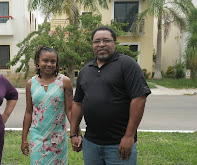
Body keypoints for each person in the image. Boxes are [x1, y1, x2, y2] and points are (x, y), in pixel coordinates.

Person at [70, 26, 151, 164]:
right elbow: (77, 103)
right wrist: (73, 134)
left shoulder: (126, 64)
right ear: (92, 45)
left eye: (106, 40)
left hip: (119, 144)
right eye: (97, 41)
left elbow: (139, 99)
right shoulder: (85, 71)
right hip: (91, 144)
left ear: (114, 43)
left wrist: (129, 136)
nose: (101, 44)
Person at [21, 46, 81, 164]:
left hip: (58, 138)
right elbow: (28, 112)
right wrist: (24, 140)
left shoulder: (65, 82)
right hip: (37, 137)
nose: (49, 64)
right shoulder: (30, 84)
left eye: (53, 61)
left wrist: (76, 133)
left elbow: (70, 111)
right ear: (38, 62)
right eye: (45, 61)